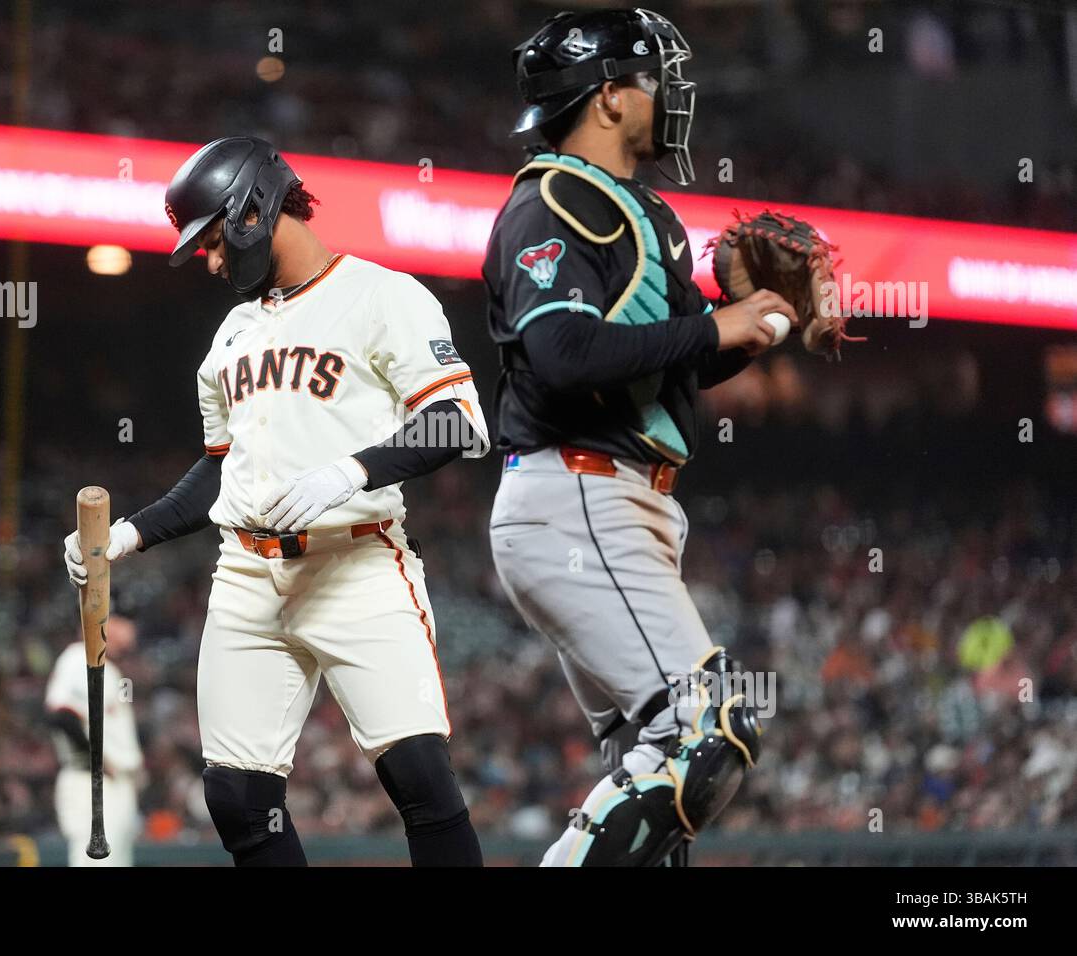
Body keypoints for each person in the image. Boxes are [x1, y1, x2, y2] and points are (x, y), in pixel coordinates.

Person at [64, 136, 489, 866]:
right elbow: (221, 471)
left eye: (213, 241)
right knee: (235, 798)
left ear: (253, 211)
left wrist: (351, 471)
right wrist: (129, 535)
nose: (213, 260)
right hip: (247, 576)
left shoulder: (382, 294)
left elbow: (462, 421)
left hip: (355, 565)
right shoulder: (232, 333)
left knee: (419, 776)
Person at [483, 9, 785, 866]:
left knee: (656, 772)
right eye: (654, 76)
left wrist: (758, 327)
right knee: (710, 730)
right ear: (610, 96)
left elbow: (668, 369)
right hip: (577, 496)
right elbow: (562, 352)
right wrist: (721, 328)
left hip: (618, 501)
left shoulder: (639, 209)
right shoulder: (552, 199)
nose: (671, 92)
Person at [45, 612, 143, 867]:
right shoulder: (79, 657)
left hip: (111, 784)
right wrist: (99, 764)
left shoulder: (107, 666)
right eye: (126, 621)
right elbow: (62, 716)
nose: (132, 630)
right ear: (106, 621)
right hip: (94, 784)